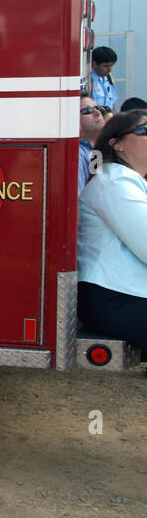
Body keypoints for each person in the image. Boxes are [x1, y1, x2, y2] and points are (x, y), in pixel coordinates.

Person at [77, 109, 147, 352]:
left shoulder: (128, 180)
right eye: (144, 130)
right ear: (117, 144)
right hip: (115, 297)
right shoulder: (115, 183)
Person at [78, 94, 104, 195]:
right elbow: (77, 203)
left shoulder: (96, 150)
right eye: (87, 111)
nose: (97, 113)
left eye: (97, 108)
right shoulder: (77, 155)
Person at [88, 46, 118, 111]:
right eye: (106, 66)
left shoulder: (108, 78)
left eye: (112, 65)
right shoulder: (89, 81)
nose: (110, 70)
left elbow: (112, 104)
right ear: (94, 64)